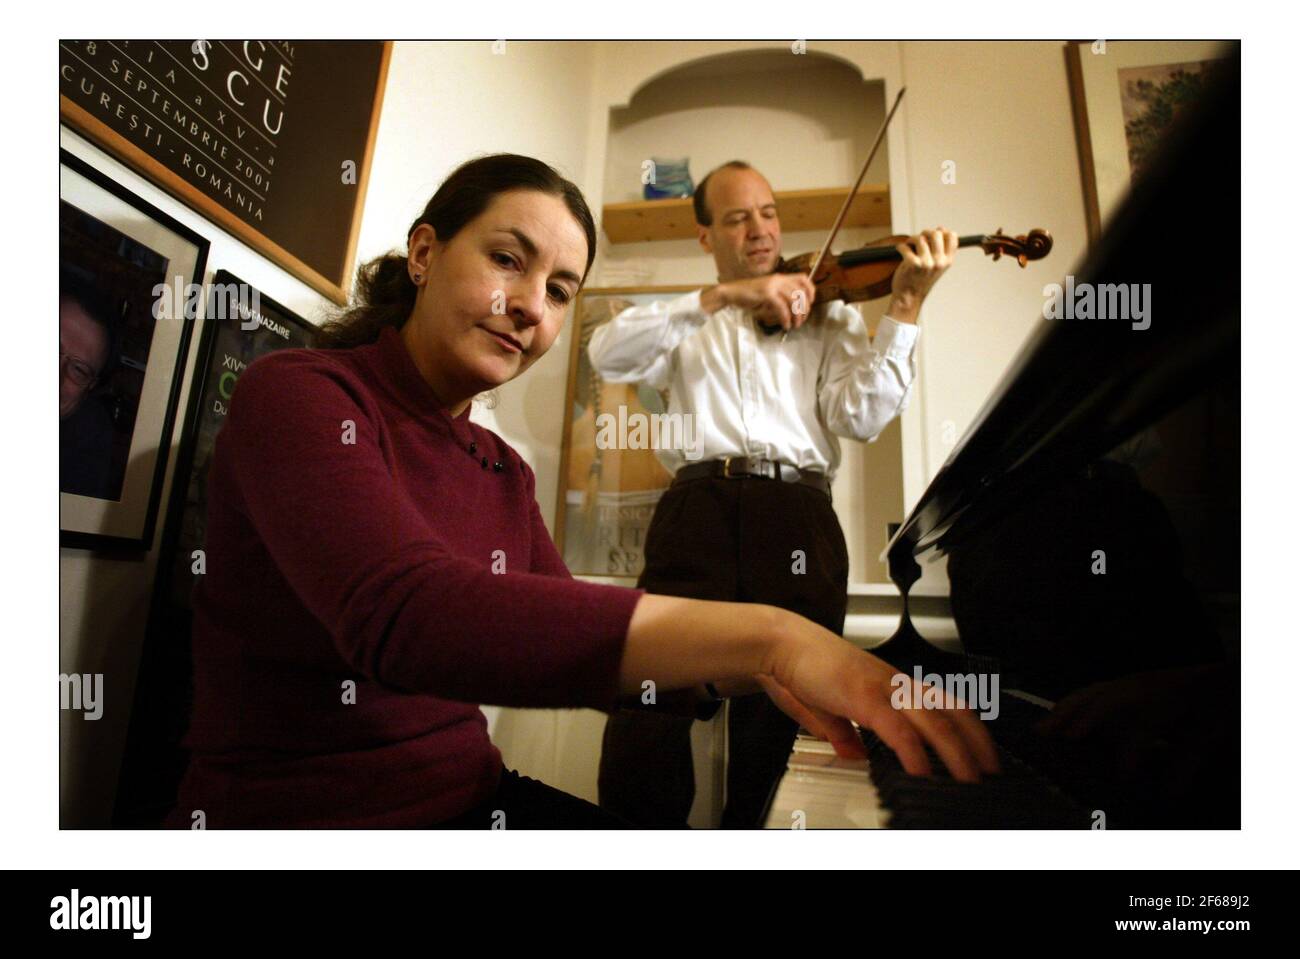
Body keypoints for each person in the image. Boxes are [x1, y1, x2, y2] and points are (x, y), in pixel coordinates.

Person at [164, 153, 995, 829]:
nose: (531, 306)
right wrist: (772, 638)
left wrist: (743, 674)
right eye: (507, 260)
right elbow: (407, 616)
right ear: (423, 254)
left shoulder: (501, 466)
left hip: (470, 799)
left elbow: (582, 660)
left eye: (560, 290)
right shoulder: (299, 393)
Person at [590, 160, 959, 826]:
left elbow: (861, 418)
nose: (760, 230)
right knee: (649, 700)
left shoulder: (829, 312)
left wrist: (905, 306)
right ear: (706, 236)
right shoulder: (688, 319)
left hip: (797, 516)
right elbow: (606, 354)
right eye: (737, 218)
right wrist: (723, 297)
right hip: (697, 511)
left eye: (768, 213)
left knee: (791, 711)